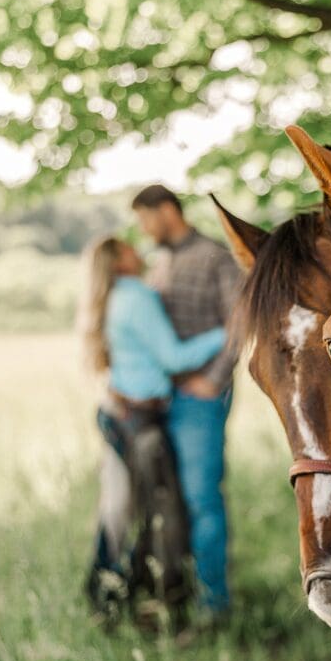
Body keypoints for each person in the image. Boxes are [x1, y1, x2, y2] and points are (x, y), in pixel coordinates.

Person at [78, 234, 227, 623]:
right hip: (140, 421)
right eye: (128, 248)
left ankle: (109, 592)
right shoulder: (136, 297)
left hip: (120, 414)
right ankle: (130, 593)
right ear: (118, 262)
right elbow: (172, 357)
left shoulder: (114, 297)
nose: (137, 250)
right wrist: (227, 332)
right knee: (146, 508)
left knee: (121, 506)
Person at [131, 185, 242, 619]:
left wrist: (213, 381)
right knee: (168, 501)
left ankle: (214, 604)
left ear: (166, 211)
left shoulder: (215, 256)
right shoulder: (159, 263)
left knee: (201, 498)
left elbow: (241, 320)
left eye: (145, 218)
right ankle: (173, 589)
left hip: (199, 403)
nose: (143, 228)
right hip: (159, 400)